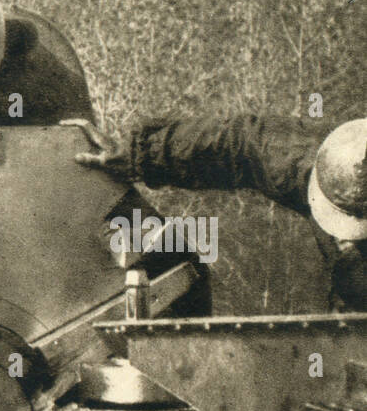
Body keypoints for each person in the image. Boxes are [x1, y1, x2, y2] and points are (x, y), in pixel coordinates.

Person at [65, 115, 367, 311]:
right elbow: (238, 143)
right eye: (338, 219)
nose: (343, 239)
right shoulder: (323, 161)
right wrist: (141, 156)